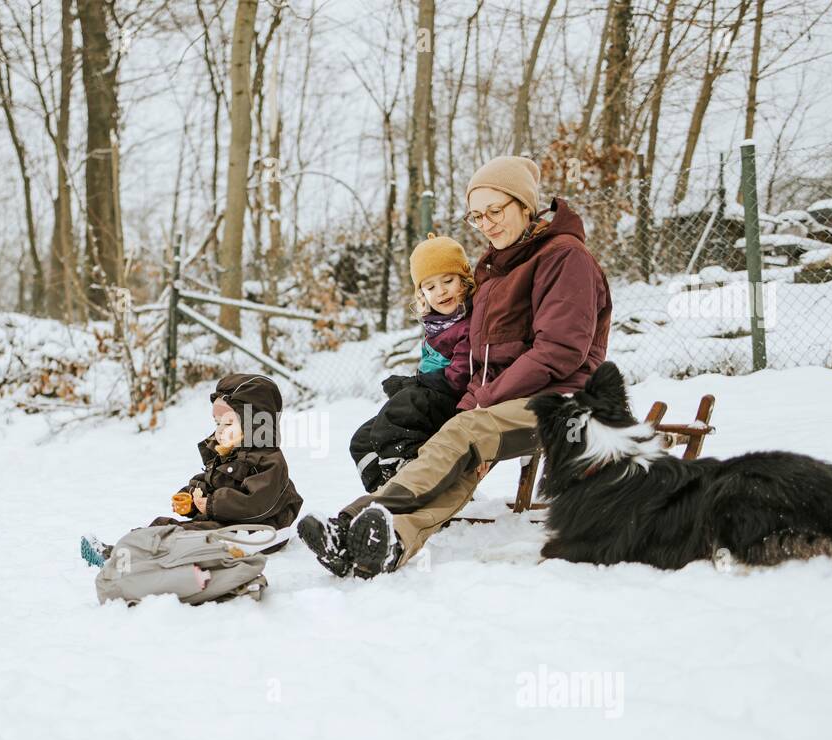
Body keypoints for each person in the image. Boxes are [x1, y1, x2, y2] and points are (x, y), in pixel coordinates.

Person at [299, 155, 612, 578]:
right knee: (460, 452)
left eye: (495, 211)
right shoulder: (497, 271)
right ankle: (389, 541)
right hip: (503, 406)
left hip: (562, 402)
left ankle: (352, 519)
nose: (486, 223)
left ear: (524, 204)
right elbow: (480, 364)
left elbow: (558, 351)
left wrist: (479, 405)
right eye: (477, 215)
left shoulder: (563, 257)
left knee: (462, 432)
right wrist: (475, 403)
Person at [82, 373, 304, 566]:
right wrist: (191, 496)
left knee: (181, 537)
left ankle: (127, 560)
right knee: (165, 526)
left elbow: (256, 504)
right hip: (228, 523)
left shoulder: (269, 461)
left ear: (254, 424)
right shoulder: (230, 454)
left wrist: (211, 504)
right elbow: (210, 482)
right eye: (217, 424)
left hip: (255, 533)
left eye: (228, 424)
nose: (219, 431)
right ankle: (120, 553)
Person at [347, 233, 474, 497]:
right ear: (422, 293)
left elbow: (461, 375)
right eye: (430, 286)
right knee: (362, 439)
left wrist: (413, 385)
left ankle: (411, 487)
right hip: (429, 395)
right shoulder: (436, 324)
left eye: (448, 281)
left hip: (453, 399)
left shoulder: (469, 323)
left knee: (396, 417)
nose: (440, 291)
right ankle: (383, 495)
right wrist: (413, 384)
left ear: (464, 280)